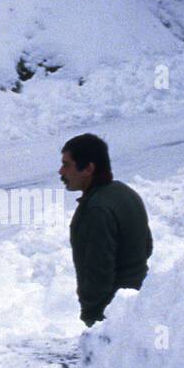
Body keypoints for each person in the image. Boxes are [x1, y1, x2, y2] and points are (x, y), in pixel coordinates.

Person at [59, 134, 152, 326]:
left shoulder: (97, 209)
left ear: (88, 168)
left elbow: (98, 271)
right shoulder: (125, 193)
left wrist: (91, 315)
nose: (61, 172)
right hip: (136, 305)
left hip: (110, 316)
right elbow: (147, 247)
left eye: (67, 165)